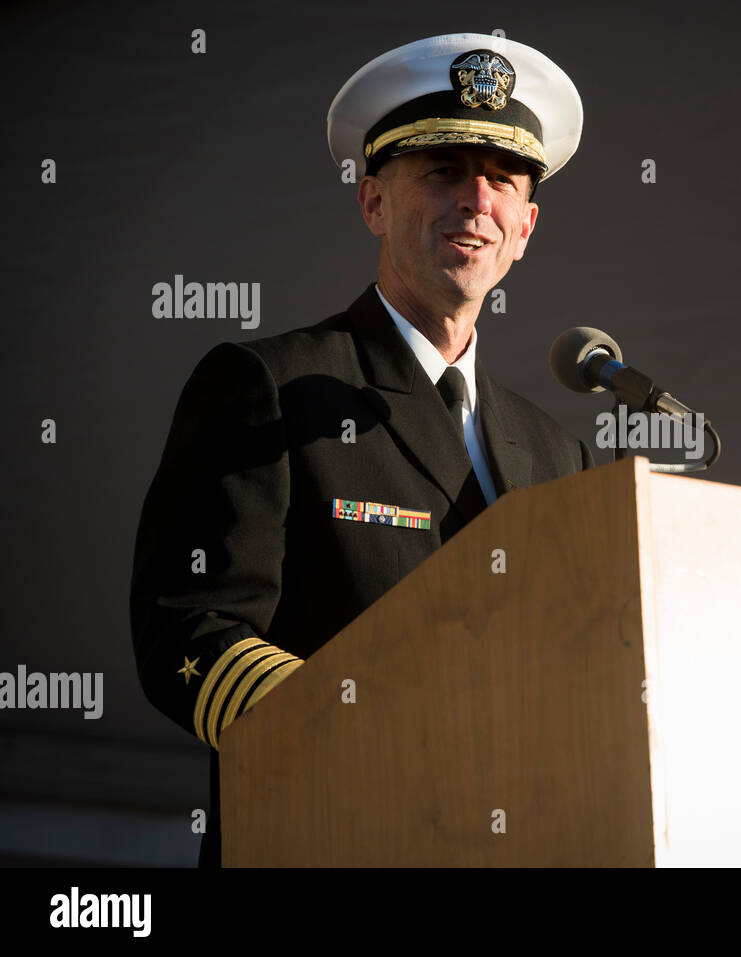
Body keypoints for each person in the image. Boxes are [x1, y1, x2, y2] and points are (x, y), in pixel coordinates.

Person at [128, 33, 592, 867]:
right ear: (374, 202)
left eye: (501, 180)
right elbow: (189, 633)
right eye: (443, 171)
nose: (474, 200)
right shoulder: (267, 383)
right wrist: (367, 734)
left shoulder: (561, 453)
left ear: (524, 227)